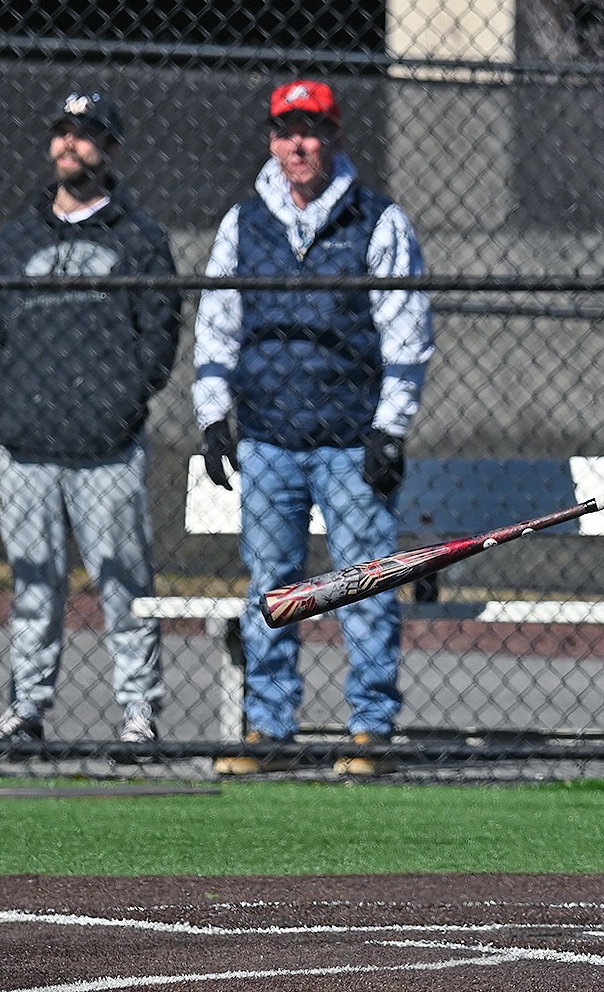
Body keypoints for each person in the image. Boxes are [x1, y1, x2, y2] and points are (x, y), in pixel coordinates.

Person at [195, 80, 434, 777]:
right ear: (272, 139)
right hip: (267, 438)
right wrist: (214, 417)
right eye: (285, 130)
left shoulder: (378, 220)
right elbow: (217, 326)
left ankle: (370, 729)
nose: (297, 145)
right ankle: (268, 728)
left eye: (311, 130)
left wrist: (390, 429)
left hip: (350, 440)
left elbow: (407, 335)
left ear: (334, 137)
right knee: (270, 584)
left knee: (364, 581)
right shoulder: (243, 223)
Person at [0, 92, 180, 758]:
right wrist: (3, 406)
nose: (70, 145)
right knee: (34, 585)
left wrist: (122, 400)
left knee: (125, 583)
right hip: (27, 447)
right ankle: (27, 707)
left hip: (107, 449)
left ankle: (138, 710)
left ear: (110, 149)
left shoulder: (140, 239)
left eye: (86, 135)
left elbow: (161, 335)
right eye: (62, 133)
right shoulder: (18, 237)